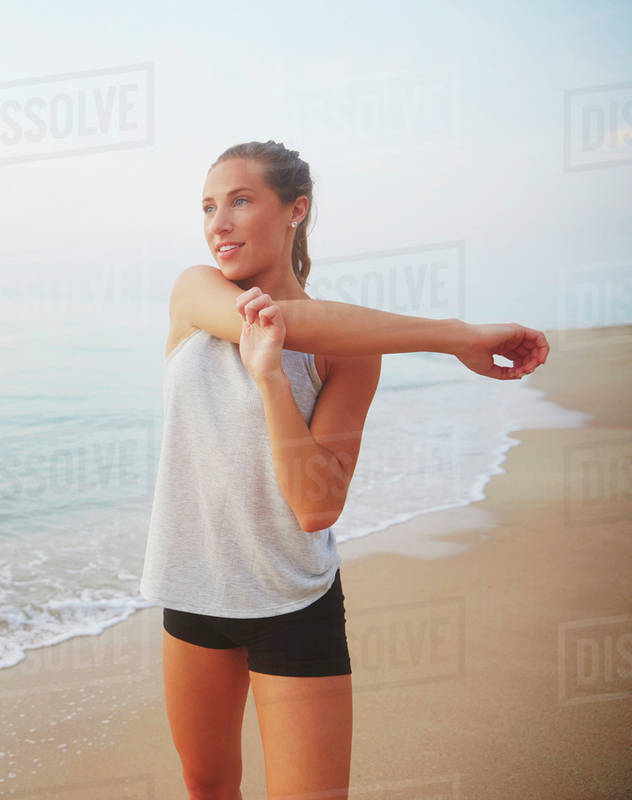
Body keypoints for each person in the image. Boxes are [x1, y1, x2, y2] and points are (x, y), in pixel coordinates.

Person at [138, 140, 549, 800]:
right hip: (196, 590)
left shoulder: (357, 352)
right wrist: (454, 335)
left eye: (241, 201)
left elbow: (314, 508)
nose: (219, 222)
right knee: (206, 785)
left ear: (296, 209)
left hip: (293, 602)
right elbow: (275, 323)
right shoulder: (195, 294)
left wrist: (271, 381)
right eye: (209, 206)